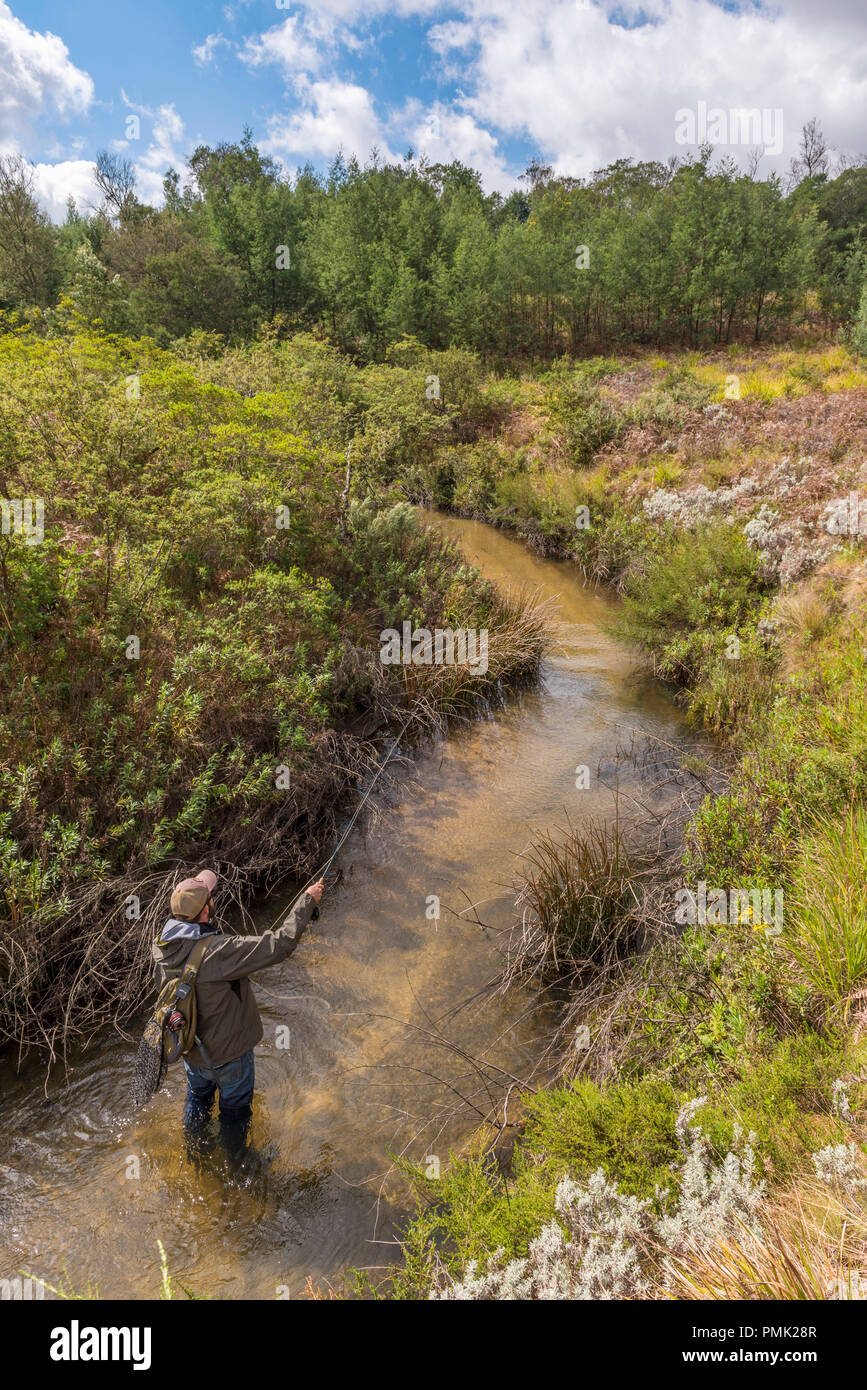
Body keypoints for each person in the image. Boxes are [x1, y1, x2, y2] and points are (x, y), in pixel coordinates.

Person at [152, 868, 324, 1151]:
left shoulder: (161, 950)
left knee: (198, 1101)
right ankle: (237, 1167)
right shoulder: (222, 950)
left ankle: (196, 1155)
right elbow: (279, 945)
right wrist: (307, 900)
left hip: (191, 1053)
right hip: (230, 1058)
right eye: (209, 897)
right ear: (206, 910)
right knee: (235, 1114)